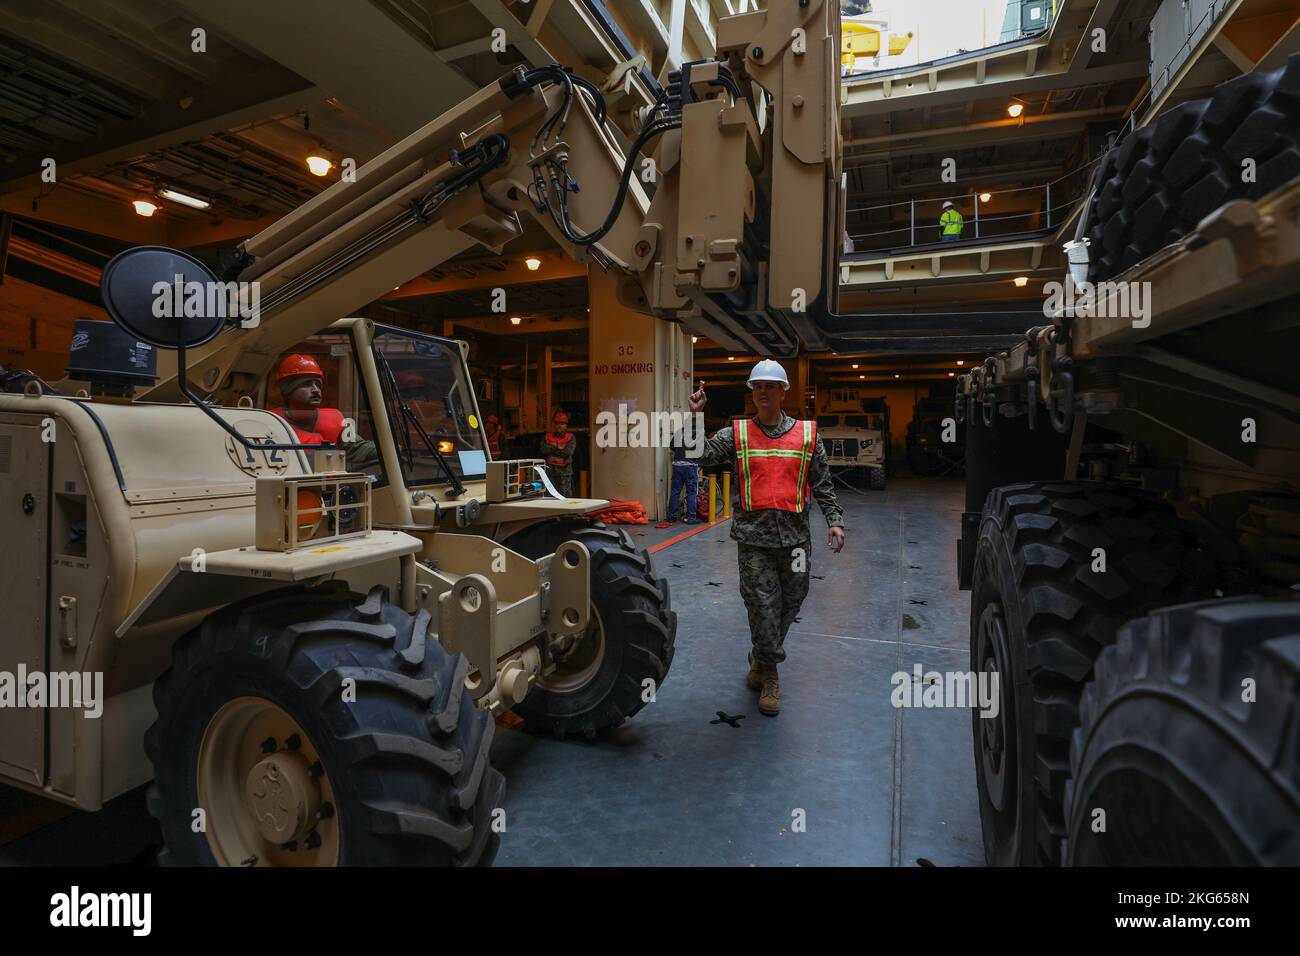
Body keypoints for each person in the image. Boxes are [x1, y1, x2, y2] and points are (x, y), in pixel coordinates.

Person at [688, 360, 845, 716]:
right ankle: (771, 673)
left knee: (791, 602)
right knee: (762, 606)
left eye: (770, 386)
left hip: (796, 540)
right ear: (751, 391)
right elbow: (699, 455)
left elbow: (822, 482)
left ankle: (760, 656)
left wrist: (834, 520)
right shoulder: (737, 433)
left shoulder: (807, 435)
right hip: (754, 540)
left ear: (783, 392)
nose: (762, 391)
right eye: (757, 386)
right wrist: (695, 418)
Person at [269, 354, 345, 444]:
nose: (316, 390)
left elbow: (356, 448)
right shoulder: (271, 421)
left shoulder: (334, 420)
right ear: (288, 391)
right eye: (306, 384)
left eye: (318, 384)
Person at [666, 424, 700, 524]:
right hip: (690, 466)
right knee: (691, 492)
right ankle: (691, 517)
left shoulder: (679, 432)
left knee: (675, 492)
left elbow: (671, 446)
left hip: (678, 466)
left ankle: (672, 517)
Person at [541, 409, 577, 497]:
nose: (559, 426)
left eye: (562, 424)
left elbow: (567, 452)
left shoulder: (571, 438)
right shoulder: (547, 437)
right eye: (556, 423)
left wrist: (552, 448)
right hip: (550, 473)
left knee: (565, 498)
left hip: (564, 474)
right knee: (550, 497)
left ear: (566, 426)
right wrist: (559, 448)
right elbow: (544, 450)